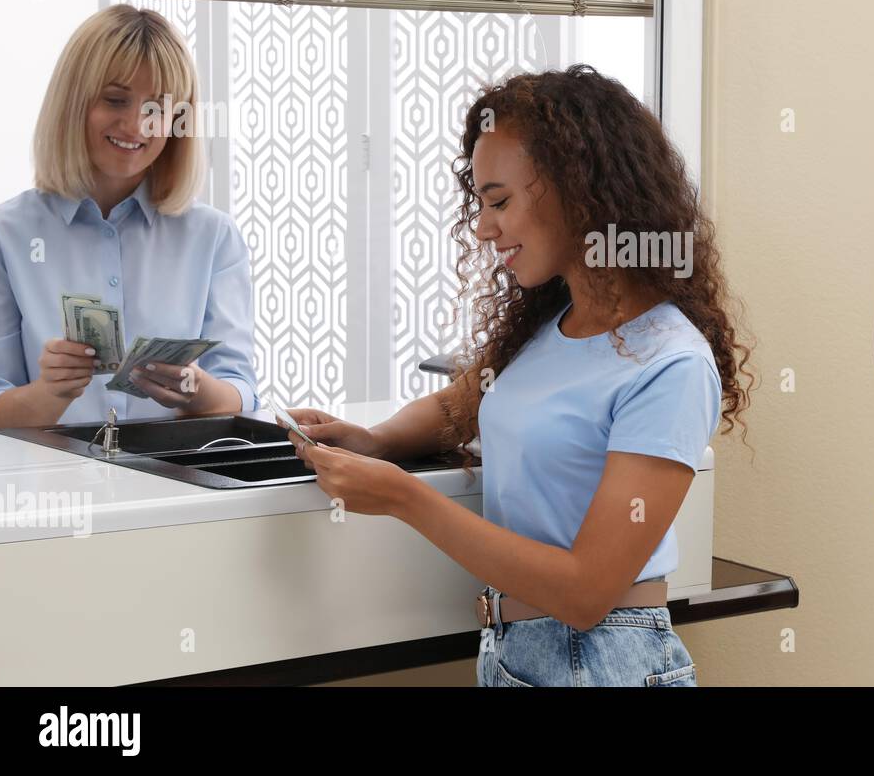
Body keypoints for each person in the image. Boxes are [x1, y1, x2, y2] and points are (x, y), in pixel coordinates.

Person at [282, 64, 753, 686]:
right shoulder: (551, 325)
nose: (483, 227)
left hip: (604, 664)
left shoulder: (671, 364)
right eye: (480, 204)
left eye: (500, 201)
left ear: (584, 190)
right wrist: (376, 440)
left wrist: (402, 497)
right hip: (515, 657)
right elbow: (463, 405)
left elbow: (587, 591)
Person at [0, 4, 260, 429]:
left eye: (158, 108)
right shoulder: (4, 235)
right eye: (115, 100)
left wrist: (195, 388)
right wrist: (50, 392)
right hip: (47, 484)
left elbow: (240, 391)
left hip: (177, 485)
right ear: (72, 103)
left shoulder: (214, 236)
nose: (136, 125)